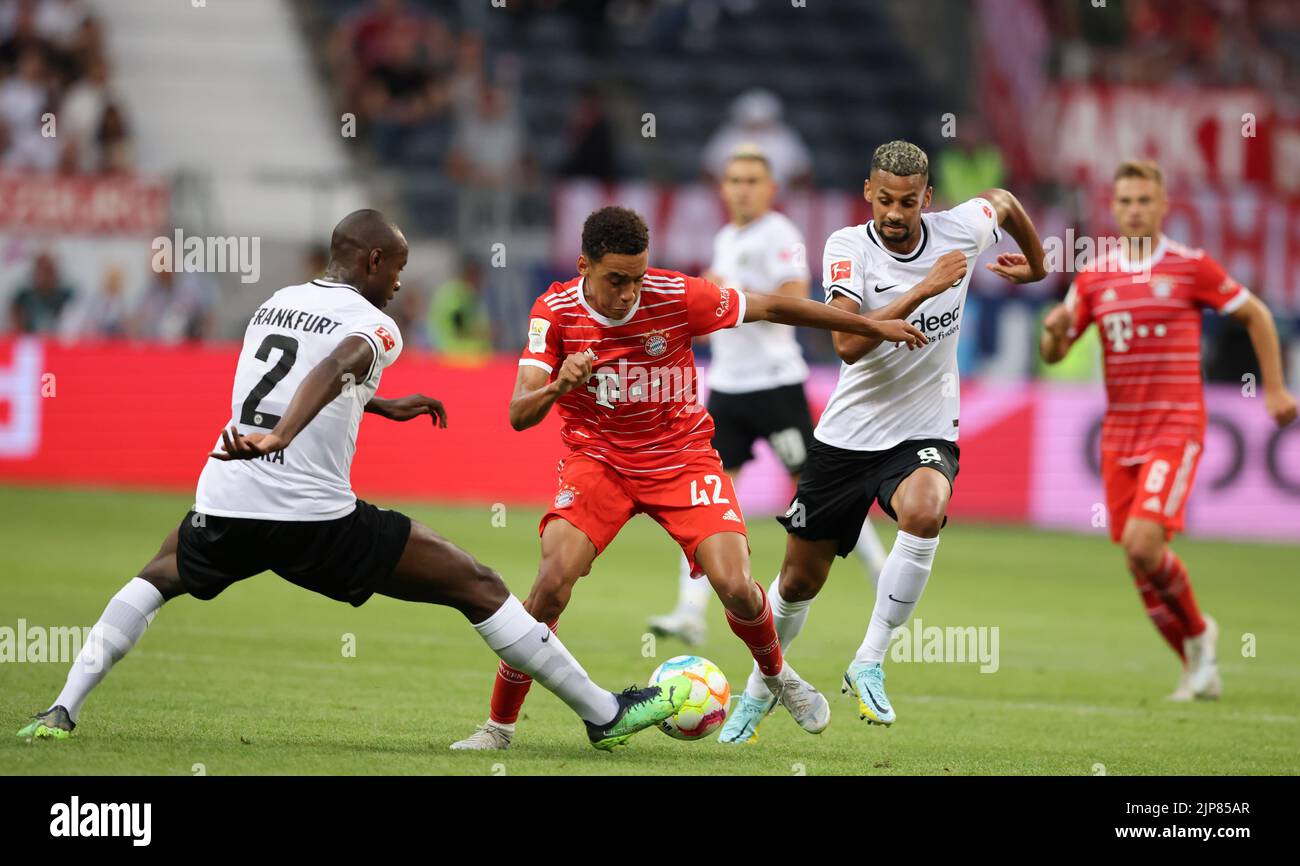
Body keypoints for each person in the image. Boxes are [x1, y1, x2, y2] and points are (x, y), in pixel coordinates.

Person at [17, 209, 690, 751]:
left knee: (152, 580)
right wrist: (286, 435)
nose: (400, 282)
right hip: (312, 520)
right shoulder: (374, 324)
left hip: (226, 499)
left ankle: (60, 710)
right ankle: (603, 712)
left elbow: (296, 374)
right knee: (479, 585)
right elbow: (339, 359)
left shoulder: (277, 303)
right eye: (396, 267)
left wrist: (380, 403)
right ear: (371, 261)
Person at [449, 205, 927, 750]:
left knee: (736, 586)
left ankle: (776, 676)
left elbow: (772, 305)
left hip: (682, 459)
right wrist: (559, 385)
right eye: (616, 280)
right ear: (583, 264)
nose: (630, 292)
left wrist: (872, 324)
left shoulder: (675, 296)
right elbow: (518, 413)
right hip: (598, 463)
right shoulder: (554, 312)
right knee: (552, 584)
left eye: (637, 278)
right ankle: (499, 727)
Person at [719, 140, 1048, 743]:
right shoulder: (847, 246)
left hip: (924, 429)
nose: (894, 213)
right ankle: (760, 689)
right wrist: (923, 288)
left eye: (908, 202)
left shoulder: (960, 230)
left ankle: (869, 658)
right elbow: (846, 344)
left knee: (924, 512)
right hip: (846, 438)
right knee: (797, 583)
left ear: (928, 198)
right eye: (884, 200)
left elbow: (1003, 201)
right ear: (868, 192)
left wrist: (1039, 266)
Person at [1039, 160, 1297, 700]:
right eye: (1126, 200)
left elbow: (1257, 315)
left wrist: (1273, 388)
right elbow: (1056, 348)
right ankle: (1195, 665)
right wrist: (1054, 332)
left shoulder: (1191, 267)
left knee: (1142, 542)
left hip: (1175, 427)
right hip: (1118, 435)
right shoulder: (1094, 276)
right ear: (1114, 208)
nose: (1134, 210)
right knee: (1139, 560)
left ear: (1163, 206)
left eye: (1144, 200)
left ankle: (1202, 633)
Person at [647, 147, 886, 647]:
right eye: (734, 179)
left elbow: (796, 297)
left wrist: (725, 290)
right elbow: (716, 322)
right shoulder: (726, 238)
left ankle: (883, 580)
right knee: (707, 495)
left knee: (821, 492)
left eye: (753, 180)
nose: (742, 188)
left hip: (776, 385)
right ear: (722, 187)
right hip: (729, 387)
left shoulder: (781, 234)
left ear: (771, 188)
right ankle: (689, 612)